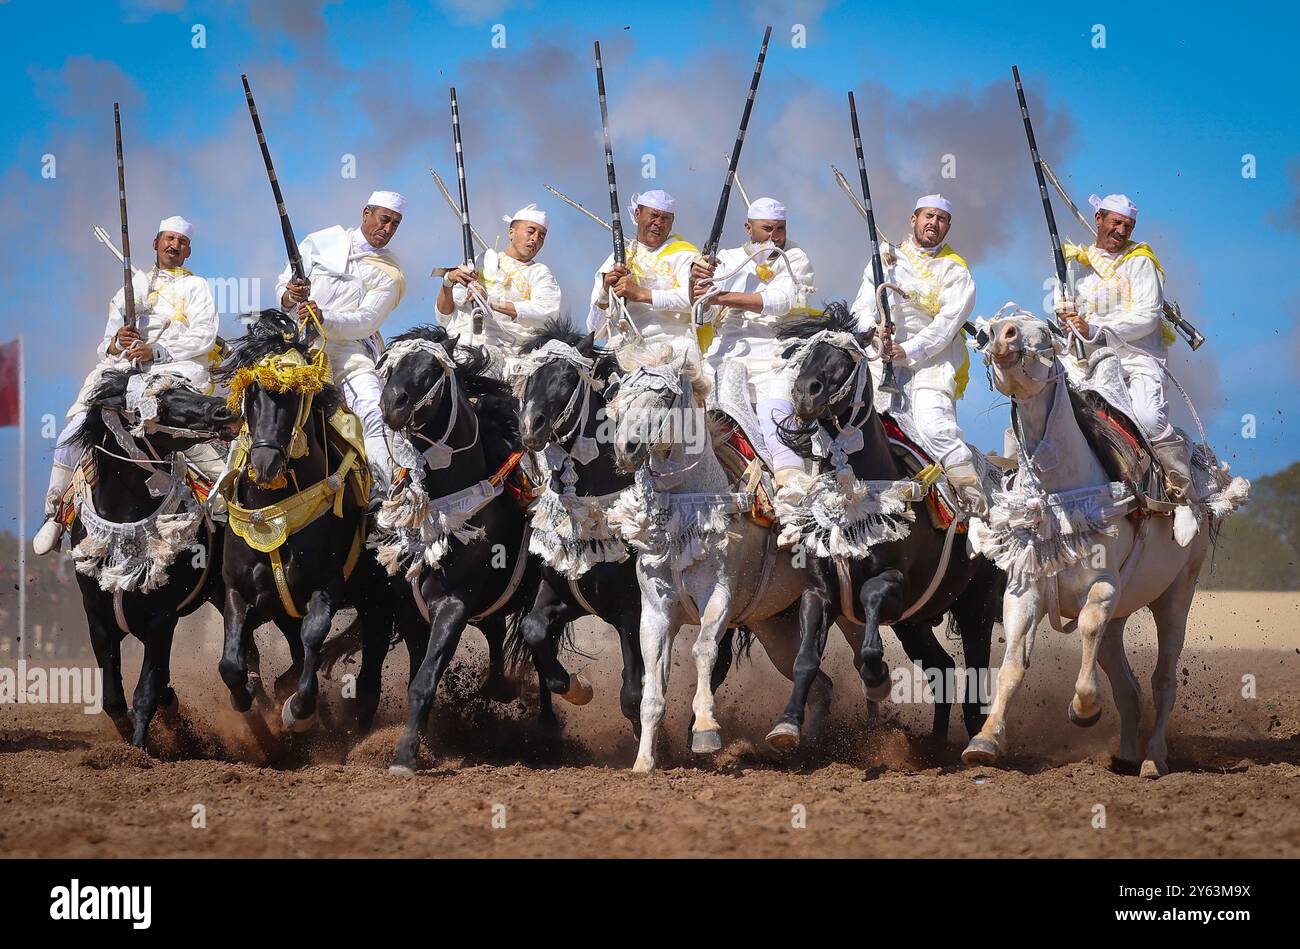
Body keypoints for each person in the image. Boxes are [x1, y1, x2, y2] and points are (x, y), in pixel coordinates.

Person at [33, 216, 221, 555]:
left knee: (199, 441)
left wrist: (157, 350)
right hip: (123, 374)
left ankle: (225, 510)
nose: (173, 245)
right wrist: (119, 342)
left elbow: (204, 337)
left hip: (174, 373)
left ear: (188, 250)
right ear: (155, 244)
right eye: (168, 238)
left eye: (180, 241)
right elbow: (105, 345)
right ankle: (56, 515)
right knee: (72, 431)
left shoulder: (198, 288)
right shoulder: (128, 289)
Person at [1058, 192, 1195, 507]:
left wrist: (1096, 330)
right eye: (1116, 223)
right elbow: (1068, 312)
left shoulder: (1142, 261)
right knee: (1042, 398)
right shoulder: (1076, 263)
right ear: (1099, 220)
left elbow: (1147, 317)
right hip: (1087, 360)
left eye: (1128, 226)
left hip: (1137, 358)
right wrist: (1065, 315)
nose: (1121, 231)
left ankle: (1181, 491)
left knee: (1148, 419)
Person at [850, 194, 983, 512]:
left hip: (932, 364)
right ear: (914, 219)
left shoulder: (956, 271)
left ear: (948, 226)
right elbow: (860, 307)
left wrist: (906, 350)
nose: (933, 223)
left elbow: (946, 326)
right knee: (852, 425)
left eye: (941, 219)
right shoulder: (884, 259)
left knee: (934, 427)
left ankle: (972, 504)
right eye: (928, 216)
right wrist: (873, 332)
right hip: (881, 360)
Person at [276, 190, 406, 491]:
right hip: (294, 346)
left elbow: (366, 321)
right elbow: (282, 288)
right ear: (366, 214)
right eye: (384, 220)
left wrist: (325, 319)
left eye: (395, 225)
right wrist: (288, 295)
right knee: (254, 399)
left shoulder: (391, 273)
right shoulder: (321, 241)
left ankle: (382, 491)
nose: (387, 229)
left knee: (375, 408)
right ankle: (224, 495)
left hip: (347, 353)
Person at [690, 196, 815, 487]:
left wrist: (719, 296)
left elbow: (781, 301)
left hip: (775, 353)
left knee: (777, 427)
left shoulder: (795, 257)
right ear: (749, 228)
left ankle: (792, 503)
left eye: (780, 229)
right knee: (692, 425)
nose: (775, 237)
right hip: (726, 352)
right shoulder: (726, 259)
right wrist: (696, 287)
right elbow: (705, 315)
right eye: (767, 229)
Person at [437, 203, 561, 374]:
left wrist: (490, 302)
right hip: (460, 344)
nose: (535, 239)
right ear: (511, 232)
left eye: (542, 236)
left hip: (506, 354)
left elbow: (547, 314)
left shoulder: (540, 273)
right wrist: (447, 281)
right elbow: (444, 317)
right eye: (530, 231)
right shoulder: (479, 261)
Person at [586, 189, 701, 354]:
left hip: (672, 349)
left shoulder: (686, 255)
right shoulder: (616, 260)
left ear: (672, 223)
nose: (658, 223)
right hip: (622, 352)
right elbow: (595, 332)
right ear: (637, 215)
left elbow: (697, 303)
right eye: (653, 216)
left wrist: (641, 294)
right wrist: (605, 294)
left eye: (665, 219)